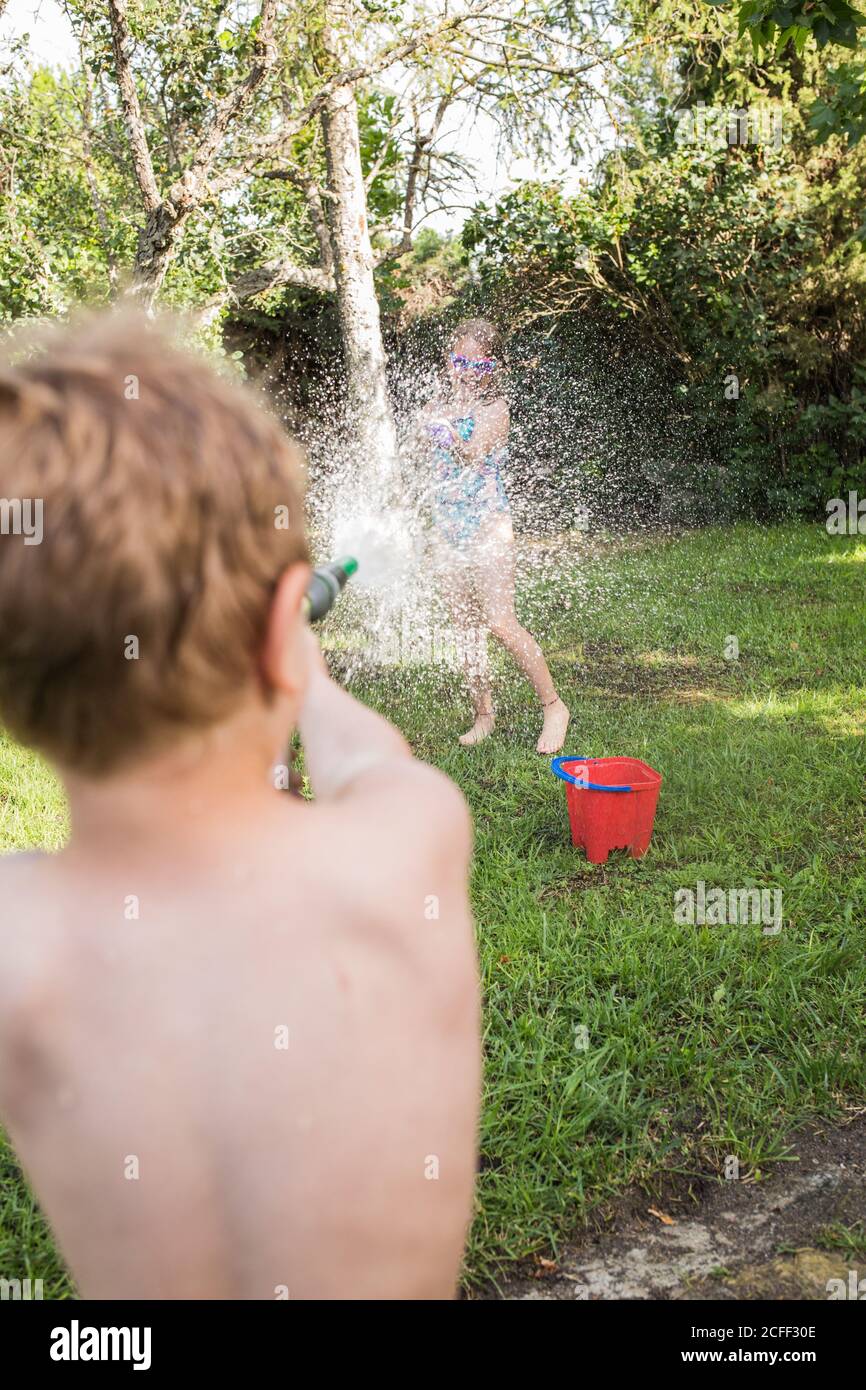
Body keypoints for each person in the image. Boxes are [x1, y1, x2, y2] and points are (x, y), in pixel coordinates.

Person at [0, 313, 480, 1300]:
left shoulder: (20, 943)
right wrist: (292, 652)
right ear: (279, 632)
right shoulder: (408, 843)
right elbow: (367, 759)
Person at [421, 318, 570, 753]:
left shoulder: (496, 409)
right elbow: (421, 451)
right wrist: (425, 426)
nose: (465, 369)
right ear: (450, 361)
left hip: (488, 523)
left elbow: (471, 452)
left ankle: (554, 706)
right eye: (458, 359)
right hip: (447, 527)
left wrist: (447, 433)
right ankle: (484, 715)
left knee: (501, 623)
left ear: (490, 366)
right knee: (466, 628)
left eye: (475, 361)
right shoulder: (435, 405)